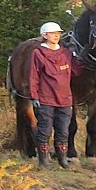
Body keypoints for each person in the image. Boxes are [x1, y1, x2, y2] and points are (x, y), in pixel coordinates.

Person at [29, 22, 79, 169]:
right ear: (44, 35)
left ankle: (62, 160)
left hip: (65, 100)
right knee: (45, 131)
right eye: (52, 33)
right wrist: (34, 96)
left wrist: (81, 58)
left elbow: (76, 71)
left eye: (58, 33)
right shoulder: (38, 54)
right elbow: (33, 76)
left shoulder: (67, 54)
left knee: (63, 131)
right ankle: (44, 161)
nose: (56, 36)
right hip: (46, 99)